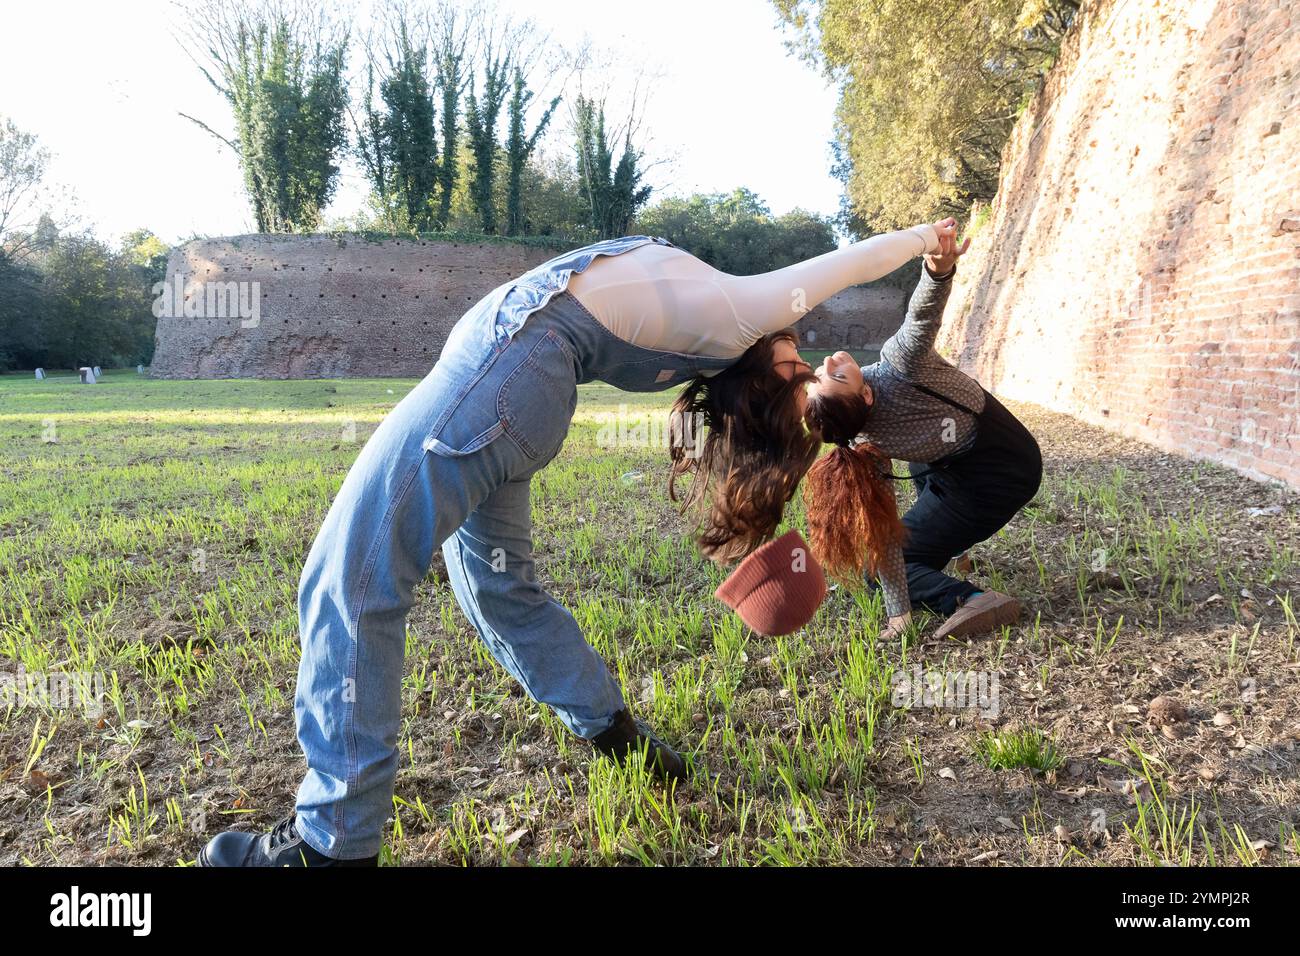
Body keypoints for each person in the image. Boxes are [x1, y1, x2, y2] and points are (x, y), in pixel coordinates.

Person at [198, 218, 954, 866]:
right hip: (518, 398)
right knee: (501, 589)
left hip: (502, 381)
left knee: (354, 571)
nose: (801, 351)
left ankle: (333, 839)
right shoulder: (722, 331)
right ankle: (618, 737)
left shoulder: (738, 313)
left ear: (758, 368)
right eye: (799, 372)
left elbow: (841, 266)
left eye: (794, 372)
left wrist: (929, 242)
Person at [798, 225, 1043, 641]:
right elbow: (885, 534)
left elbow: (921, 319)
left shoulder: (900, 363)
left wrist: (938, 270)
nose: (827, 362)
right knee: (880, 564)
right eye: (832, 377)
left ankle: (970, 598)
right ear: (864, 399)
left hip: (1002, 465)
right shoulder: (865, 448)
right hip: (957, 467)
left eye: (821, 373)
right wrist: (899, 612)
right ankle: (954, 550)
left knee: (879, 562)